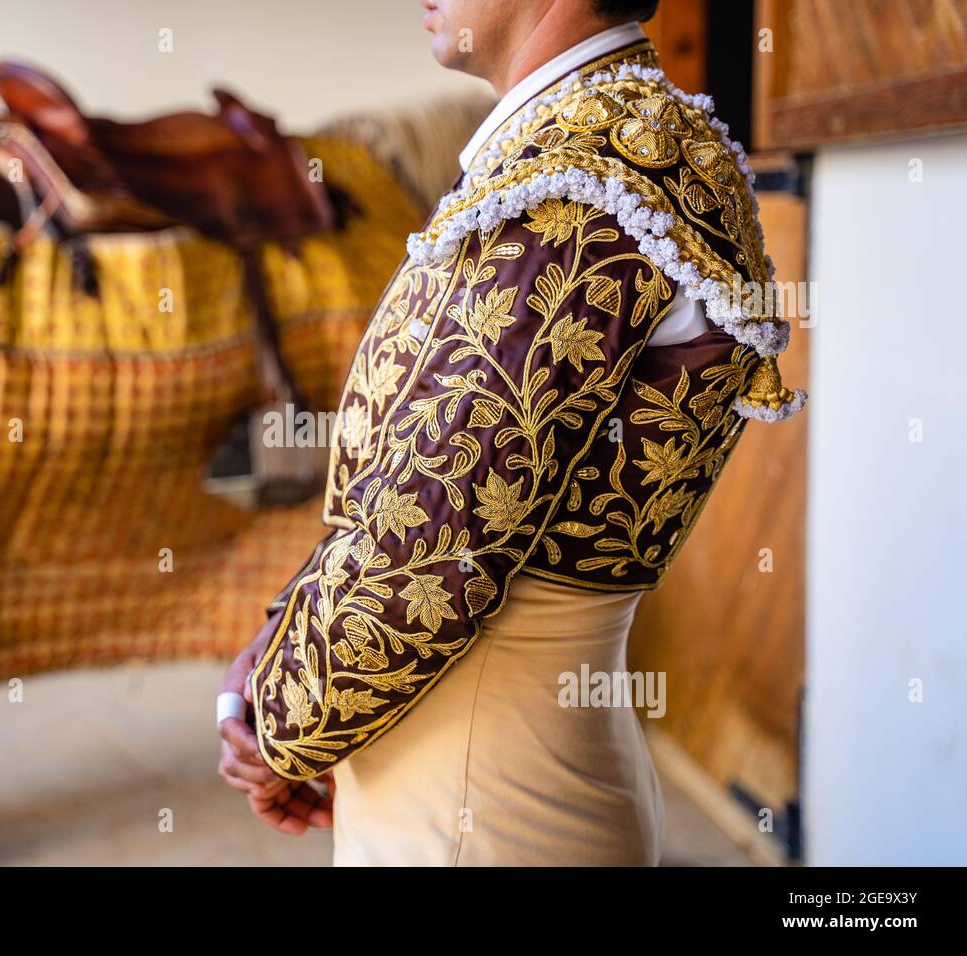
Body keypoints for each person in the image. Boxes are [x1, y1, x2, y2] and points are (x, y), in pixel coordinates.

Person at [218, 0, 803, 865]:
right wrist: (283, 659)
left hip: (482, 803)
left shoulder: (584, 176)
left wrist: (274, 716)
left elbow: (424, 540)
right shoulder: (610, 146)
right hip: (487, 765)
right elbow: (406, 473)